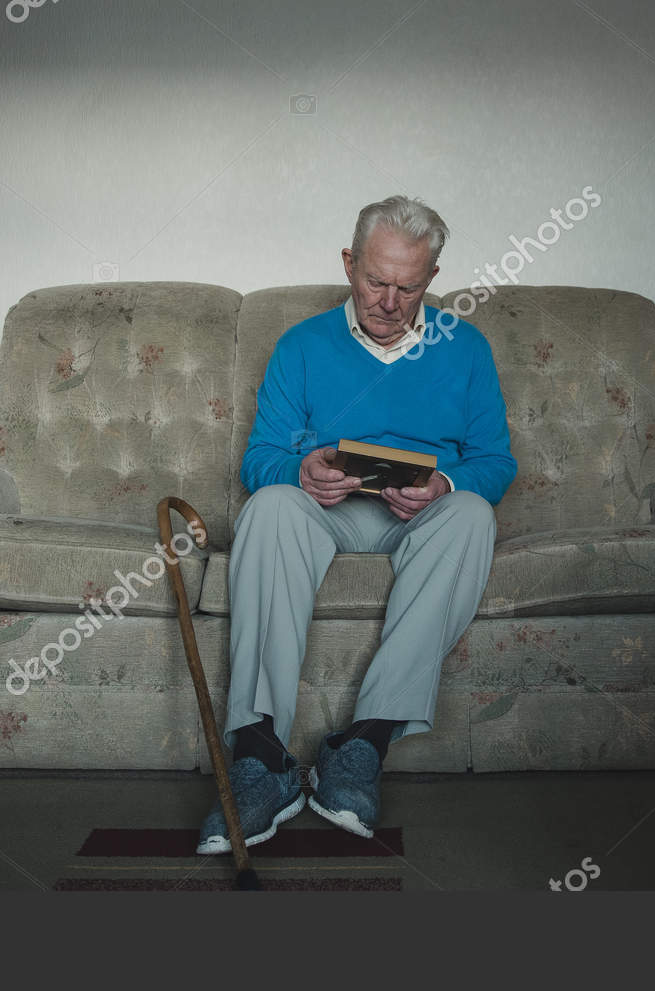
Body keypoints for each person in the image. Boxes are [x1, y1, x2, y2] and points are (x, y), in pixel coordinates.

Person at [197, 196, 516, 852]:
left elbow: (495, 461)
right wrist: (299, 471)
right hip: (326, 513)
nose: (390, 303)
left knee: (472, 513)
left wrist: (445, 485)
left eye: (409, 287)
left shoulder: (466, 348)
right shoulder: (301, 345)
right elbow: (260, 457)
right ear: (348, 263)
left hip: (420, 520)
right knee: (268, 506)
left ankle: (361, 747)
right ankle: (259, 757)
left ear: (432, 278)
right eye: (376, 281)